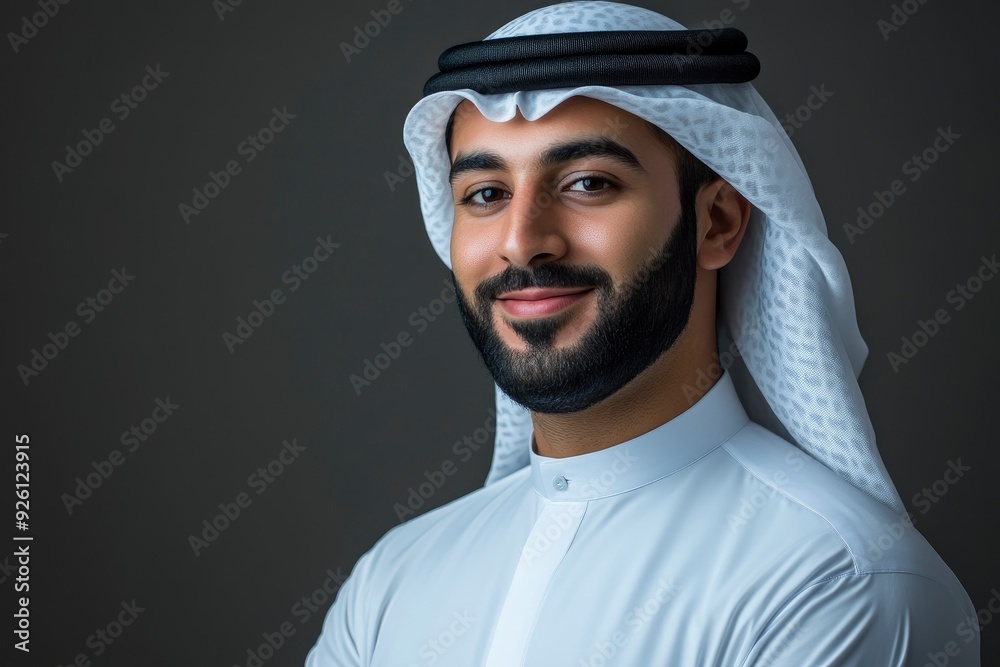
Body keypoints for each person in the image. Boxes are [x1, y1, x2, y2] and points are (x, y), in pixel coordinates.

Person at [307, 2, 979, 665]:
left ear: (717, 222)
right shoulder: (389, 585)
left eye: (587, 182)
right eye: (485, 193)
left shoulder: (837, 585)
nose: (522, 243)